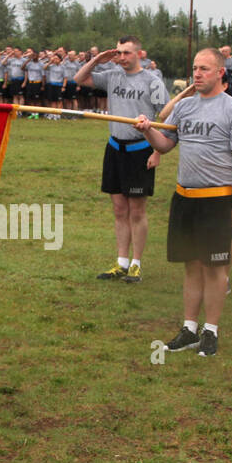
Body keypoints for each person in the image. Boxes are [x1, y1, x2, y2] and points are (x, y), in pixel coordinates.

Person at [135, 48, 232, 357]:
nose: (198, 74)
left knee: (215, 268)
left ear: (220, 73)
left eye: (204, 69)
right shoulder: (184, 108)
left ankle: (210, 331)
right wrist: (149, 131)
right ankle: (189, 328)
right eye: (195, 68)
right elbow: (165, 146)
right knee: (191, 266)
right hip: (184, 198)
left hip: (217, 201)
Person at [76, 36, 167, 283]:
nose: (122, 57)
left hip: (141, 151)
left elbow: (166, 119)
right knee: (119, 209)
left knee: (137, 211)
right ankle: (121, 263)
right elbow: (80, 79)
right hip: (115, 149)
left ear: (139, 54)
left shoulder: (152, 81)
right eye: (119, 52)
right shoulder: (112, 75)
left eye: (127, 52)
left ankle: (136, 264)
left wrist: (158, 152)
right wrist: (98, 59)